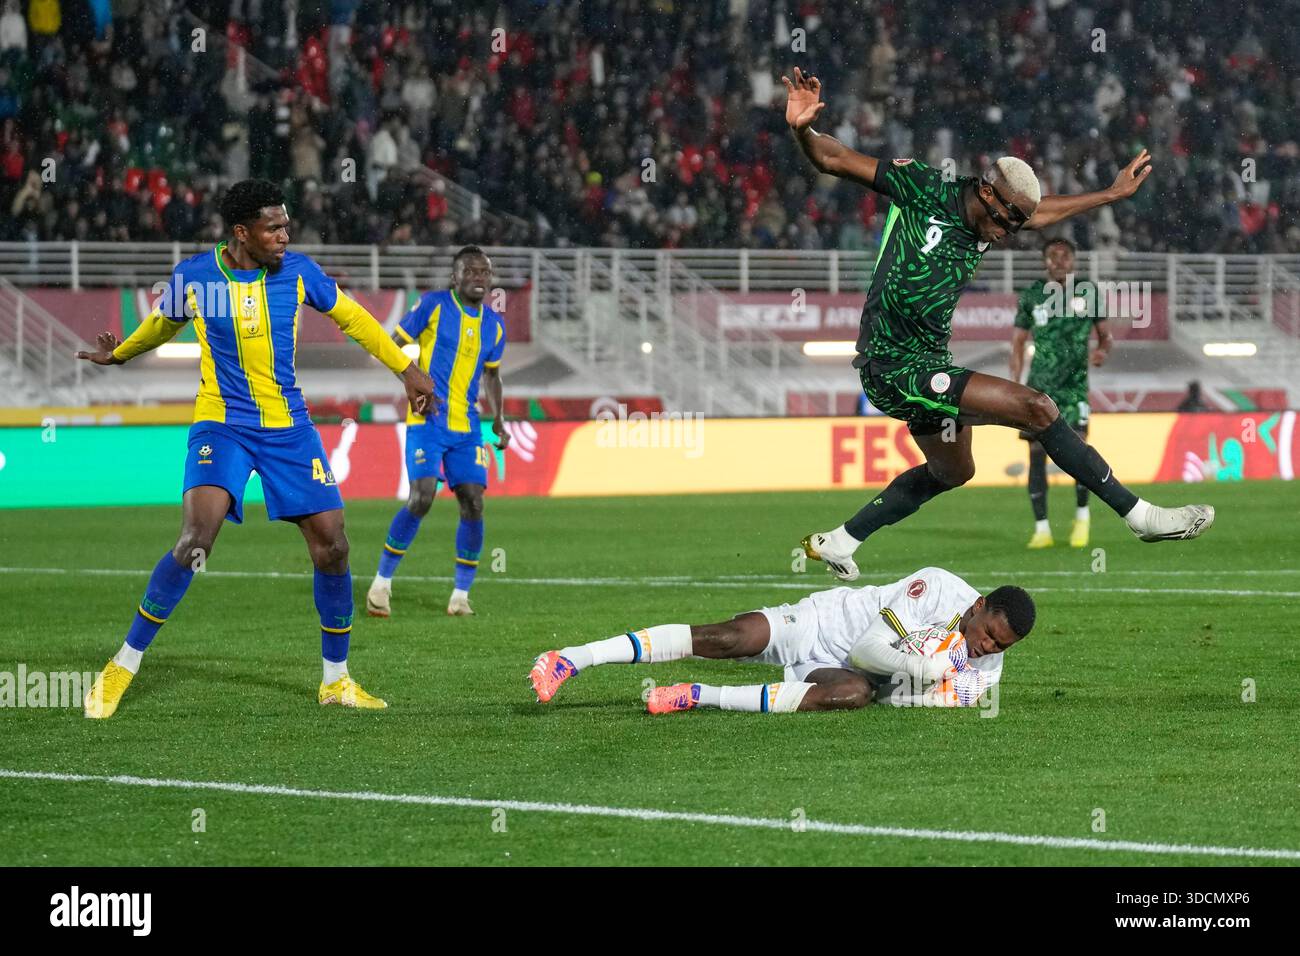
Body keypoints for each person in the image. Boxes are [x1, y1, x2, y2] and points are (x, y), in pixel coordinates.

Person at [780, 68, 1213, 581]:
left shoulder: (995, 215)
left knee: (954, 470)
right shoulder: (922, 186)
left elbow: (1042, 213)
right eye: (1009, 220)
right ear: (987, 193)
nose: (1010, 233)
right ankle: (1140, 516)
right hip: (891, 365)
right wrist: (803, 129)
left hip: (928, 365)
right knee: (1039, 407)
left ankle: (841, 540)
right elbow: (833, 158)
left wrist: (1110, 196)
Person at [75, 179, 434, 718]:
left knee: (333, 547)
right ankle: (123, 664)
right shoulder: (195, 276)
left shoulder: (299, 272)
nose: (286, 235)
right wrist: (121, 354)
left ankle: (336, 680)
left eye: (287, 224)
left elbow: (356, 320)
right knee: (197, 539)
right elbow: (161, 325)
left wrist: (406, 369)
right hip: (222, 424)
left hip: (288, 427)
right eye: (275, 227)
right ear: (242, 232)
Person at [529, 567, 1032, 714]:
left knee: (852, 696)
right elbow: (866, 648)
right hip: (826, 626)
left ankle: (695, 695)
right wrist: (928, 668)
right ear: (978, 605)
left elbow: (905, 699)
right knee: (727, 638)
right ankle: (570, 658)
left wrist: (929, 690)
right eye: (990, 635)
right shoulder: (939, 587)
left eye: (1001, 647)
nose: (990, 649)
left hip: (852, 673)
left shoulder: (985, 673)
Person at [366, 246, 508, 618]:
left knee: (474, 502)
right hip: (427, 421)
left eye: (484, 272)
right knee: (422, 496)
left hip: (467, 427)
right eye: (471, 271)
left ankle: (460, 595)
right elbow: (391, 344)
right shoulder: (433, 305)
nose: (479, 277)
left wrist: (499, 419)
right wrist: (410, 383)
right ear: (454, 277)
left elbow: (492, 375)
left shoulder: (494, 325)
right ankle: (381, 584)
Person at [1010, 238, 1113, 549]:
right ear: (1045, 261)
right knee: (1036, 456)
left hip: (1074, 387)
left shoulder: (1088, 291)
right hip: (1039, 388)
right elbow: (1017, 343)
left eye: (1064, 255)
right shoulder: (1032, 294)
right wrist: (1015, 384)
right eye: (1052, 256)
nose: (1058, 260)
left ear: (1074, 260)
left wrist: (1102, 351)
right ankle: (1042, 529)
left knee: (1079, 453)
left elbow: (1105, 336)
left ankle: (1082, 518)